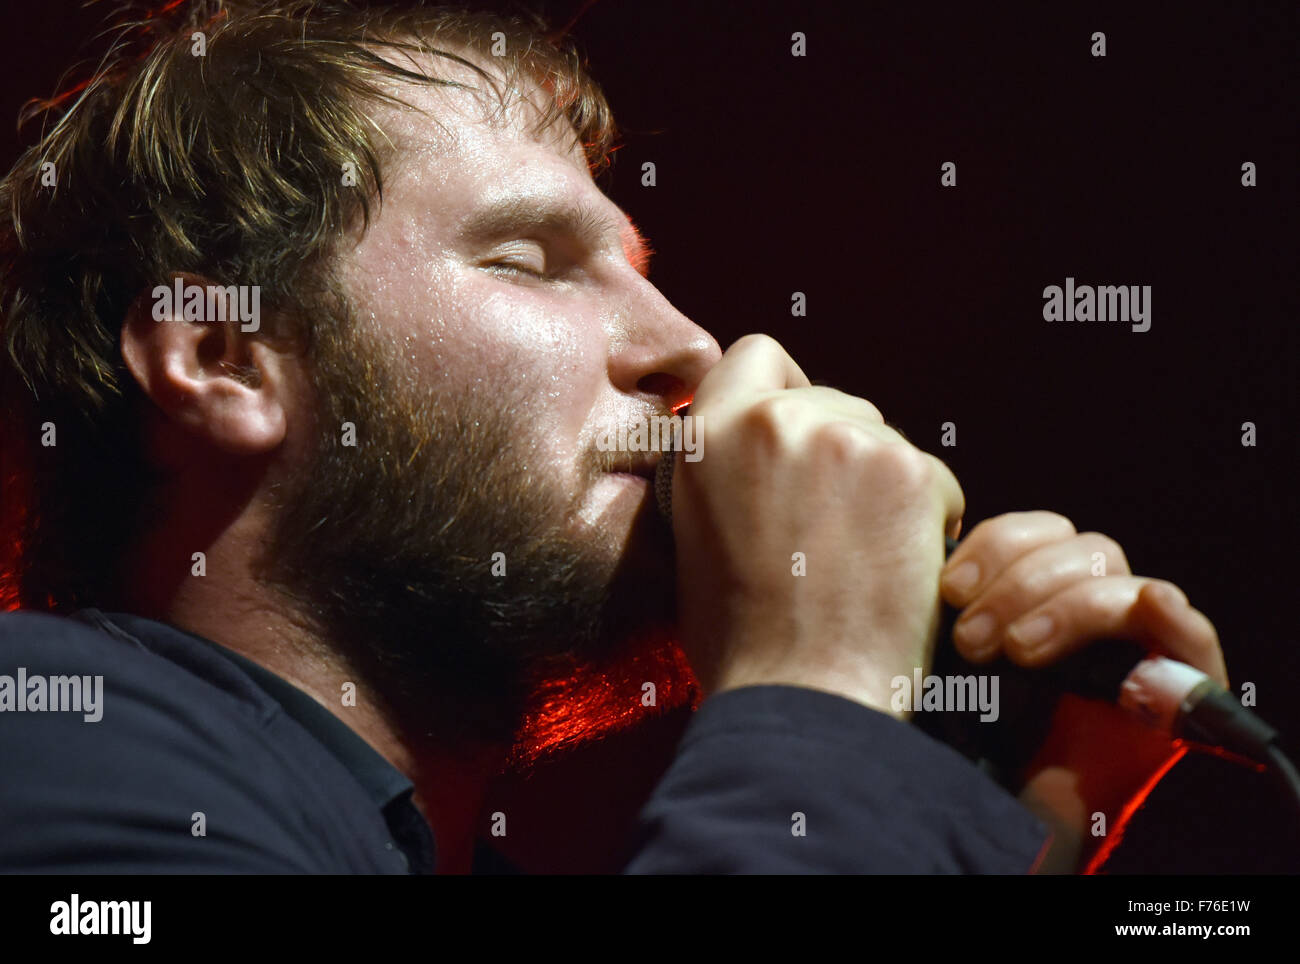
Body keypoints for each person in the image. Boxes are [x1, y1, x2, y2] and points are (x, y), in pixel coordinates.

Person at [0, 1, 1227, 874]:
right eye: (528, 262)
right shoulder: (47, 744)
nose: (693, 348)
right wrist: (824, 689)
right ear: (223, 356)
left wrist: (1033, 814)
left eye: (639, 270)